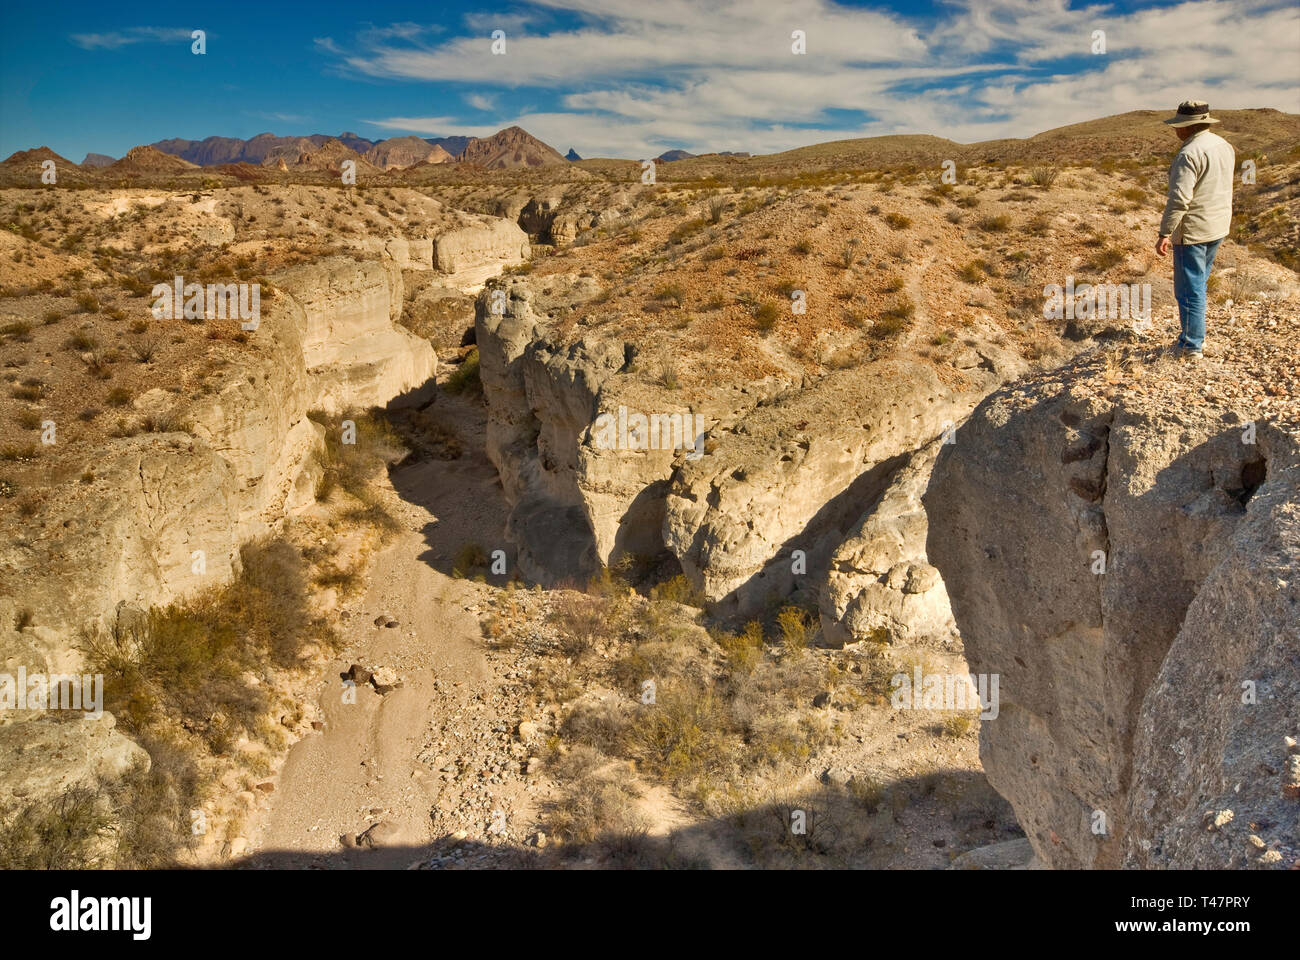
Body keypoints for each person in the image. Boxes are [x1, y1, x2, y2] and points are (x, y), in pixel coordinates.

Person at [1155, 100, 1235, 361]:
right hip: (1217, 225)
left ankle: (1191, 346)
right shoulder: (1224, 145)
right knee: (1199, 284)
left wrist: (1165, 232)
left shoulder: (1188, 154)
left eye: (1178, 126)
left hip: (1193, 231)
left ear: (1188, 127)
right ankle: (1194, 339)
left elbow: (1179, 199)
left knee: (1189, 289)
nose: (1176, 130)